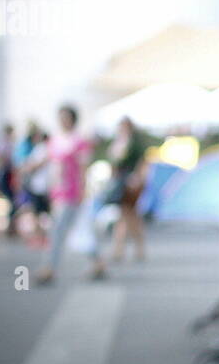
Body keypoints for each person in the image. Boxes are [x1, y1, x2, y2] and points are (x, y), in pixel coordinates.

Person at [36, 104, 105, 284]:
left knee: (59, 230)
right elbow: (47, 161)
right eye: (61, 117)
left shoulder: (79, 141)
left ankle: (50, 268)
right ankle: (98, 261)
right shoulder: (56, 140)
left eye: (66, 117)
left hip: (72, 192)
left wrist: (82, 190)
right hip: (58, 192)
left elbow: (83, 167)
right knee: (77, 230)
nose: (62, 121)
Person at [105, 116, 149, 263]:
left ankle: (125, 248)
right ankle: (127, 248)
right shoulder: (118, 143)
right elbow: (113, 162)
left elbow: (142, 163)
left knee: (128, 215)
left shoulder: (134, 144)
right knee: (126, 215)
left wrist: (138, 178)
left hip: (131, 182)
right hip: (120, 182)